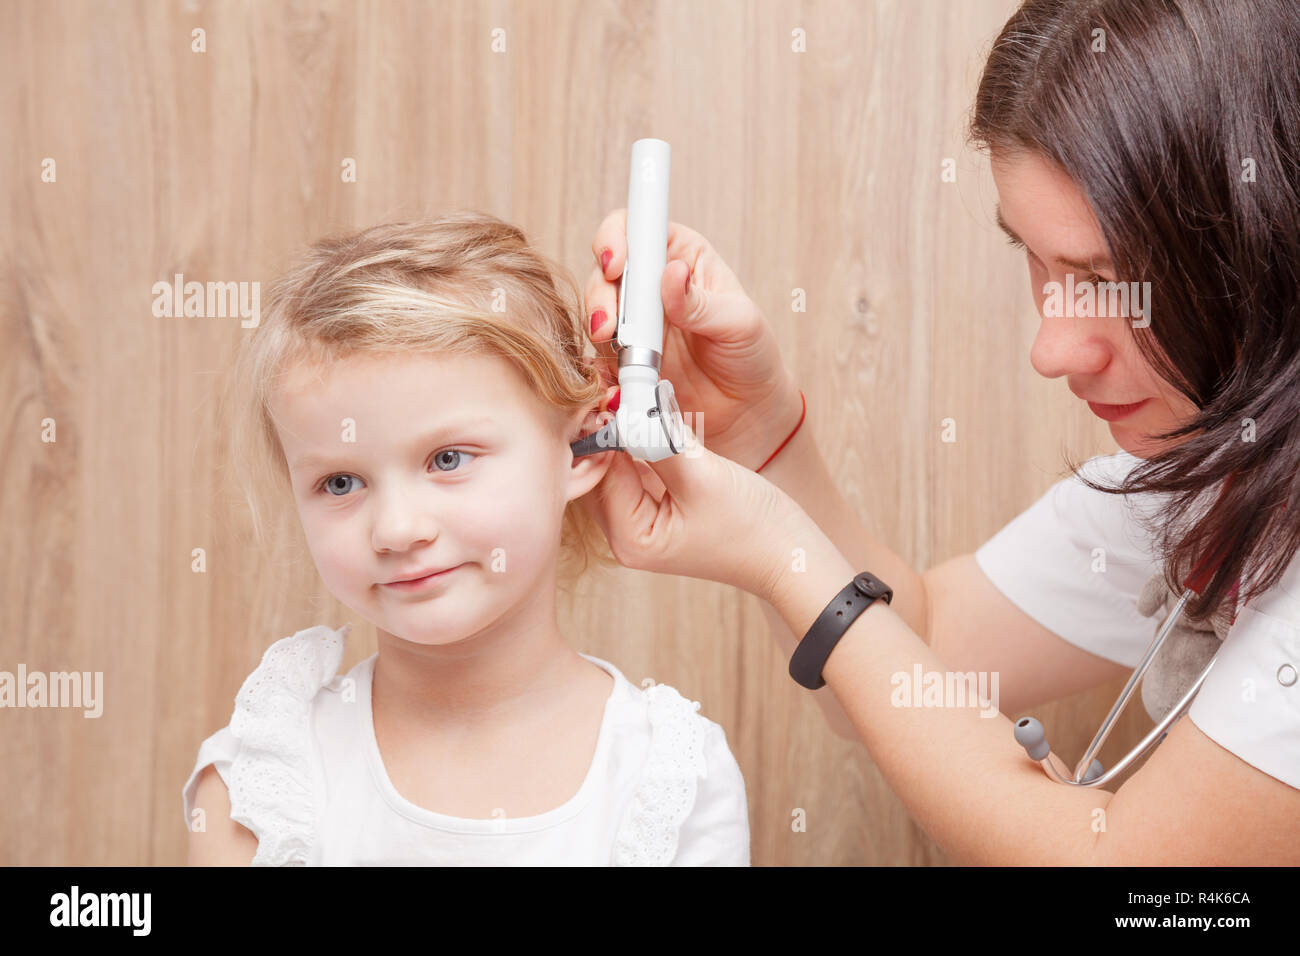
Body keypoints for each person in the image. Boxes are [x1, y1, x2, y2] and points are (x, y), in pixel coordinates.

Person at [575, 0, 1300, 864]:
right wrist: (763, 436)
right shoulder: (1197, 469)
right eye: (1035, 260)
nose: (1052, 347)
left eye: (1107, 277)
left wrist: (781, 554)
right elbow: (923, 650)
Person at [182, 214, 750, 866]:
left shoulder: (672, 778)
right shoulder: (258, 787)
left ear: (583, 448)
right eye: (341, 482)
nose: (397, 529)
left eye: (448, 459)